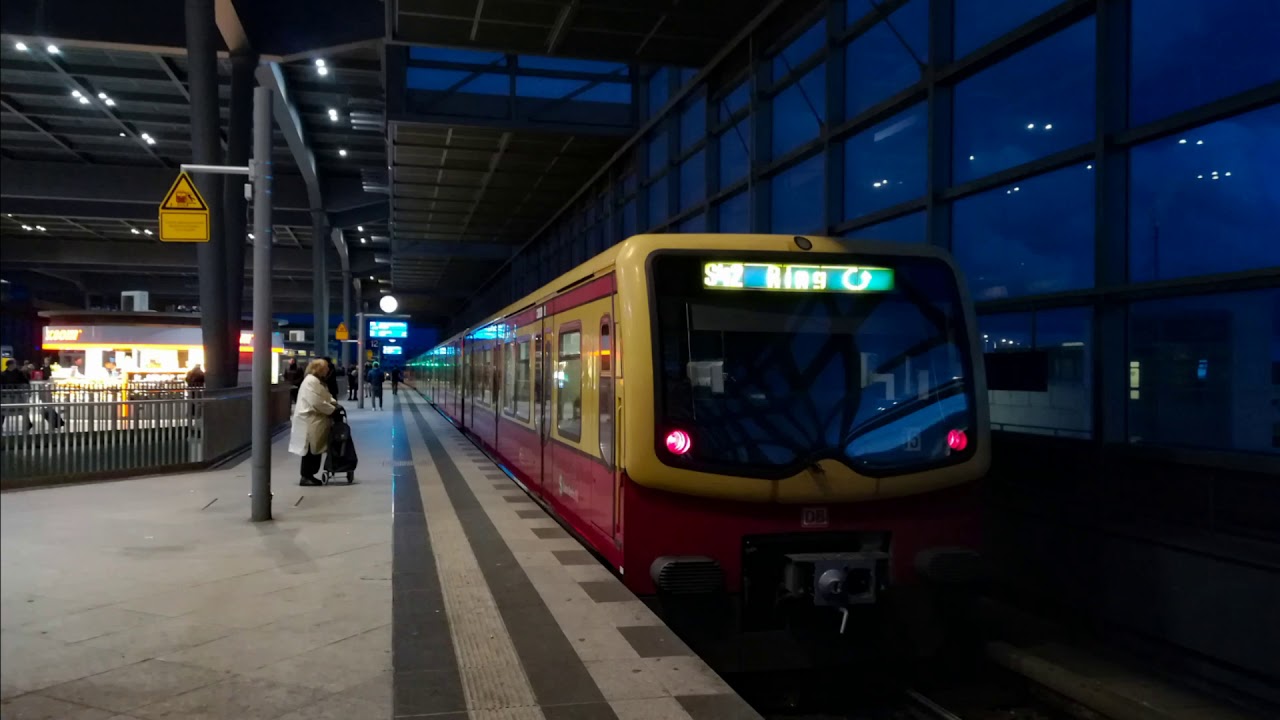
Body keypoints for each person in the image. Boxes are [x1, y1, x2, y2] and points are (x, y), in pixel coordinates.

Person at [288, 359, 338, 486]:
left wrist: (333, 403)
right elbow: (316, 401)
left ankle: (310, 474)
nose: (328, 370)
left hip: (316, 420)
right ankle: (306, 476)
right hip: (310, 420)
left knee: (315, 448)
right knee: (310, 449)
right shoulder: (311, 381)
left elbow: (325, 396)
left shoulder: (316, 381)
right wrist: (332, 409)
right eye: (326, 368)